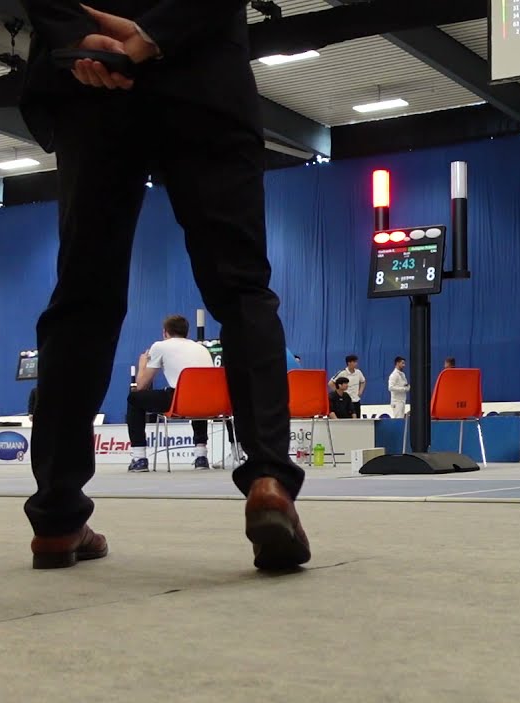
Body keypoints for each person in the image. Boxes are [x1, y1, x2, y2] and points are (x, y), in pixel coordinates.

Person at [19, 1, 309, 570]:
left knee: (82, 298)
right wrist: (154, 33)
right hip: (202, 75)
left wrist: (78, 34)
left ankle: (57, 515)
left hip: (91, 85)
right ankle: (269, 481)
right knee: (242, 291)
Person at [125, 315, 214, 472]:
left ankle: (139, 458)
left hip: (179, 401)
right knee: (196, 396)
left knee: (134, 398)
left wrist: (142, 363)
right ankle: (201, 457)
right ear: (187, 332)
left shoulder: (160, 346)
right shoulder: (202, 348)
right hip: (206, 402)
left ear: (165, 332)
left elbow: (141, 386)